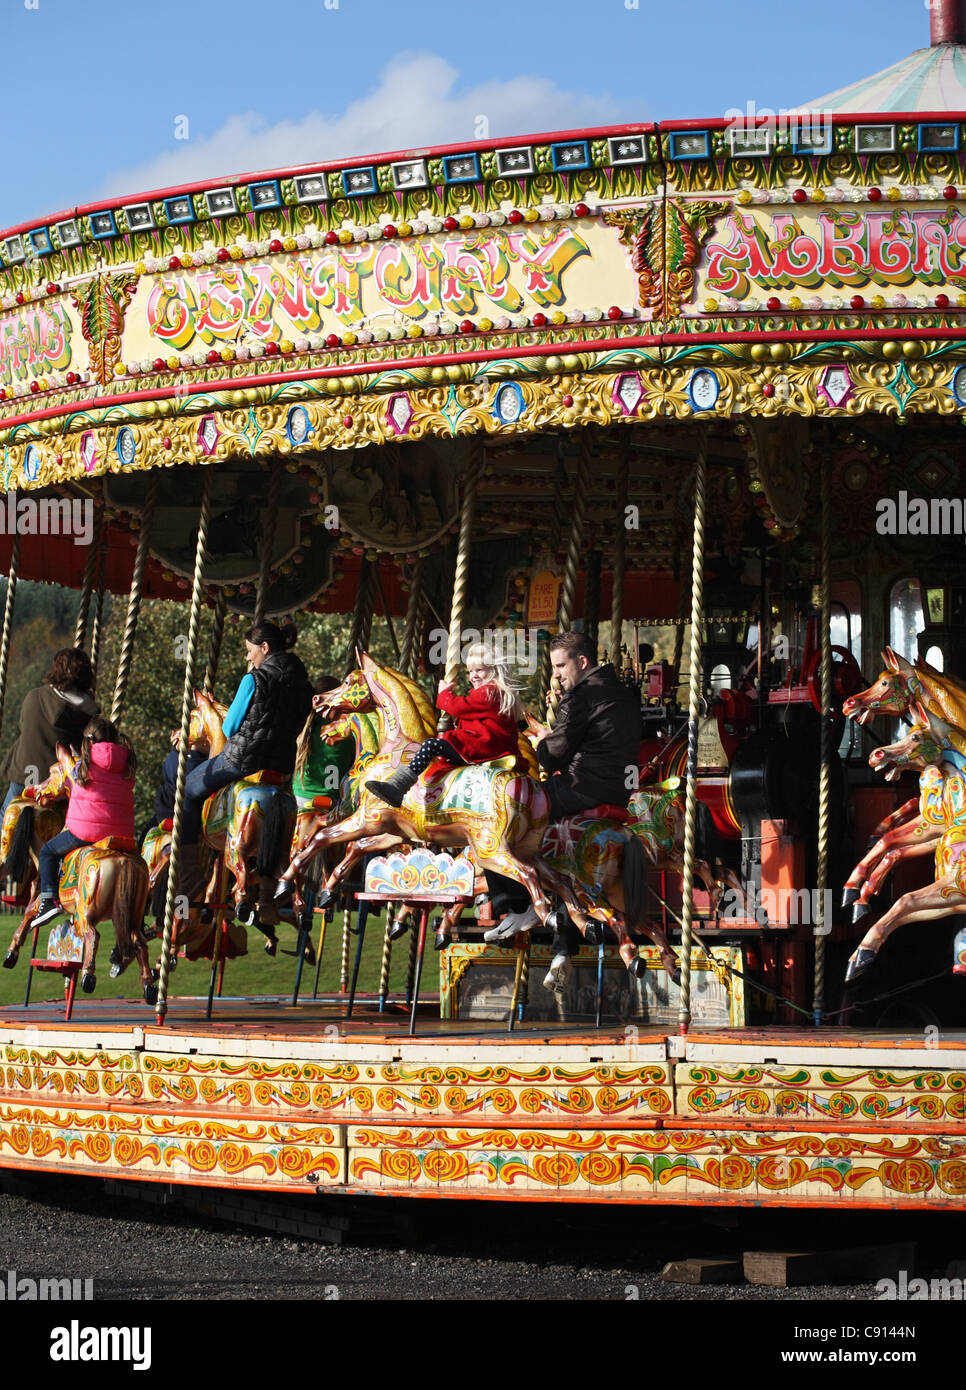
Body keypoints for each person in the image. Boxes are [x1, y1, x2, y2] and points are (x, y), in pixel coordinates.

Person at [482, 631, 642, 988]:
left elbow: (554, 754)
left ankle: (516, 902)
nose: (555, 675)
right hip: (619, 790)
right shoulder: (622, 691)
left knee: (501, 813)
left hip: (579, 787)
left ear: (581, 662)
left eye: (560, 666)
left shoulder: (583, 696)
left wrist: (541, 741)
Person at [177, 621, 314, 900]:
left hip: (242, 760)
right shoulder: (303, 685)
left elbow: (228, 728)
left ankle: (189, 875)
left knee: (188, 790)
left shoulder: (253, 679)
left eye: (250, 651)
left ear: (265, 648)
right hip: (281, 767)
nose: (248, 657)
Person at [365, 642, 525, 807]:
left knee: (431, 745)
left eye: (479, 670)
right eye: (470, 671)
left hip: (485, 747)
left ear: (494, 670)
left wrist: (444, 694)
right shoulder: (495, 693)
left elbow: (457, 707)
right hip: (490, 745)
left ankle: (397, 787)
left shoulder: (490, 692)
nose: (473, 676)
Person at [31, 717, 137, 928]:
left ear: (88, 742)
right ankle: (138, 918)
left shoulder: (83, 764)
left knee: (48, 852)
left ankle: (48, 900)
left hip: (86, 832)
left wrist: (69, 756)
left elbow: (71, 775)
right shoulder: (126, 765)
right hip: (120, 834)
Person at [1, 648, 98, 817]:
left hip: (24, 768)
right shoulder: (88, 714)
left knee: (7, 817)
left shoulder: (34, 696)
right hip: (57, 782)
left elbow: (23, 726)